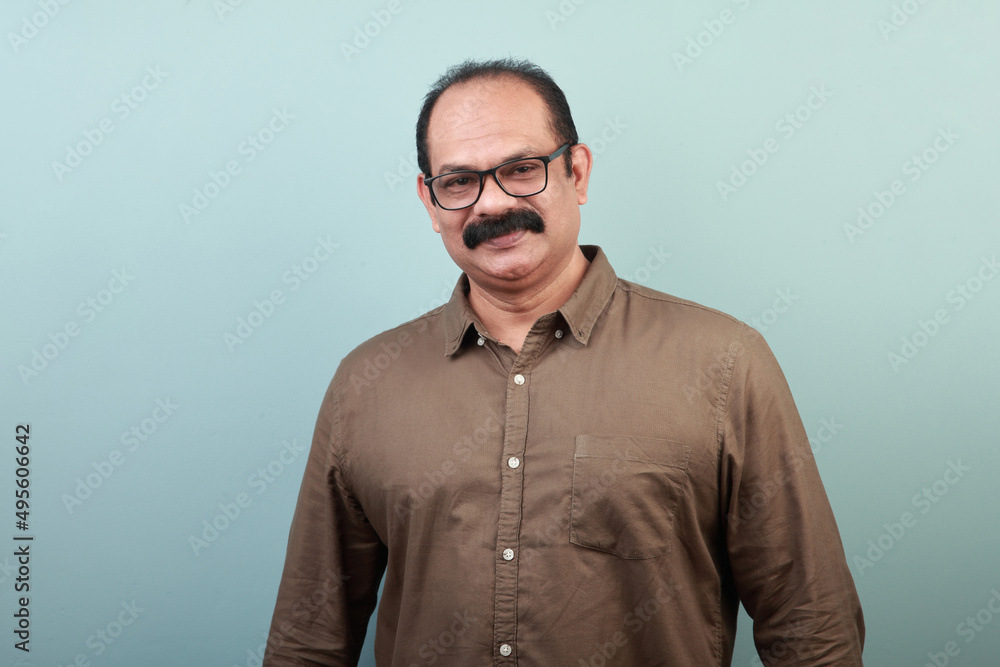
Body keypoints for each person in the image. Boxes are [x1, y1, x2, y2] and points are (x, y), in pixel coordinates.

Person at [263, 58, 864, 666]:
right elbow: (309, 639)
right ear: (429, 199)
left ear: (577, 172)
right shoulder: (366, 384)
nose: (492, 203)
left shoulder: (726, 364)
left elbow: (812, 626)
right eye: (458, 181)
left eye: (521, 170)